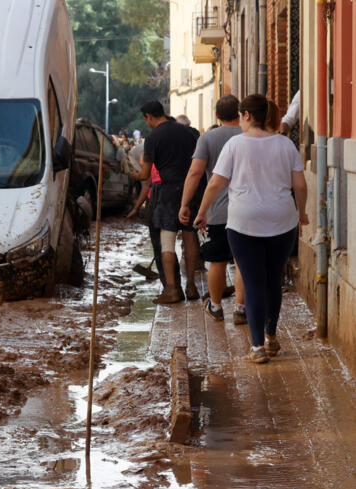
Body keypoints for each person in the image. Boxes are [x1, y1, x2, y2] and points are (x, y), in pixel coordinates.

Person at [193, 94, 308, 364]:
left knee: (253, 281)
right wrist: (301, 213)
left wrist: (202, 212)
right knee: (272, 279)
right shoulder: (285, 144)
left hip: (244, 223)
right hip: (282, 221)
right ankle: (270, 336)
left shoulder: (235, 144)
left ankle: (256, 348)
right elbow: (300, 186)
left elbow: (215, 184)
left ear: (246, 115)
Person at [179, 95, 246, 324]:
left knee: (216, 261)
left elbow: (195, 173)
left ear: (217, 115)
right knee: (241, 261)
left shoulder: (208, 138)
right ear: (239, 113)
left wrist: (185, 204)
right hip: (245, 210)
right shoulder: (247, 136)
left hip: (216, 212)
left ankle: (216, 307)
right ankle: (240, 309)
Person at [129, 100, 202, 303]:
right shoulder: (189, 132)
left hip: (168, 192)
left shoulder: (153, 138)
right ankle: (192, 286)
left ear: (149, 117)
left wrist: (132, 174)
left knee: (167, 240)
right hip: (190, 188)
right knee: (189, 237)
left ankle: (172, 289)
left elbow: (146, 175)